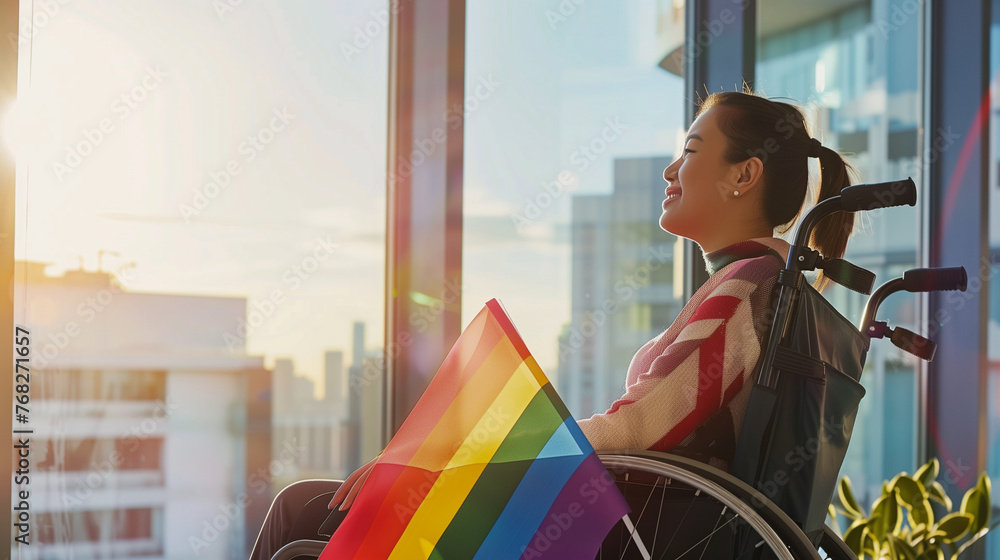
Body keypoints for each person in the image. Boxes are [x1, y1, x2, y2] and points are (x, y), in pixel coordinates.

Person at [248, 90, 856, 560]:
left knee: (303, 510)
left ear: (743, 175)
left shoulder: (745, 288)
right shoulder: (769, 289)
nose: (671, 170)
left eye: (692, 152)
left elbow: (634, 428)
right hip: (652, 519)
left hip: (624, 532)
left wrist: (450, 459)